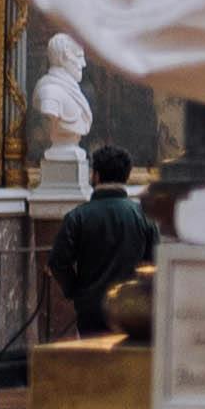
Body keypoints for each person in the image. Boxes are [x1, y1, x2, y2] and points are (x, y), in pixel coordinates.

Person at [47, 141, 153, 337]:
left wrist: (75, 290)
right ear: (127, 176)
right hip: (133, 310)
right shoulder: (144, 217)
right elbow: (153, 263)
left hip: (91, 310)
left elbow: (58, 262)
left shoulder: (77, 217)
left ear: (95, 175)